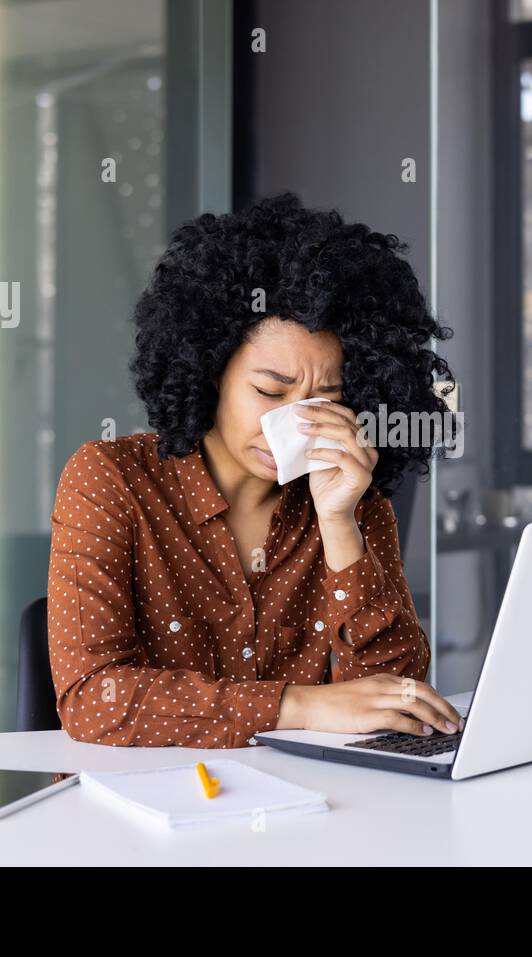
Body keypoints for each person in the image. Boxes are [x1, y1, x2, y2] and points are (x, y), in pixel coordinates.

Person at [46, 192, 462, 748]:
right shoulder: (111, 479)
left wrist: (340, 526)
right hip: (150, 804)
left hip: (313, 807)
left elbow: (397, 696)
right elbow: (94, 698)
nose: (298, 422)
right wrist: (302, 706)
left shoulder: (351, 494)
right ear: (210, 371)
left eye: (328, 397)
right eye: (271, 390)